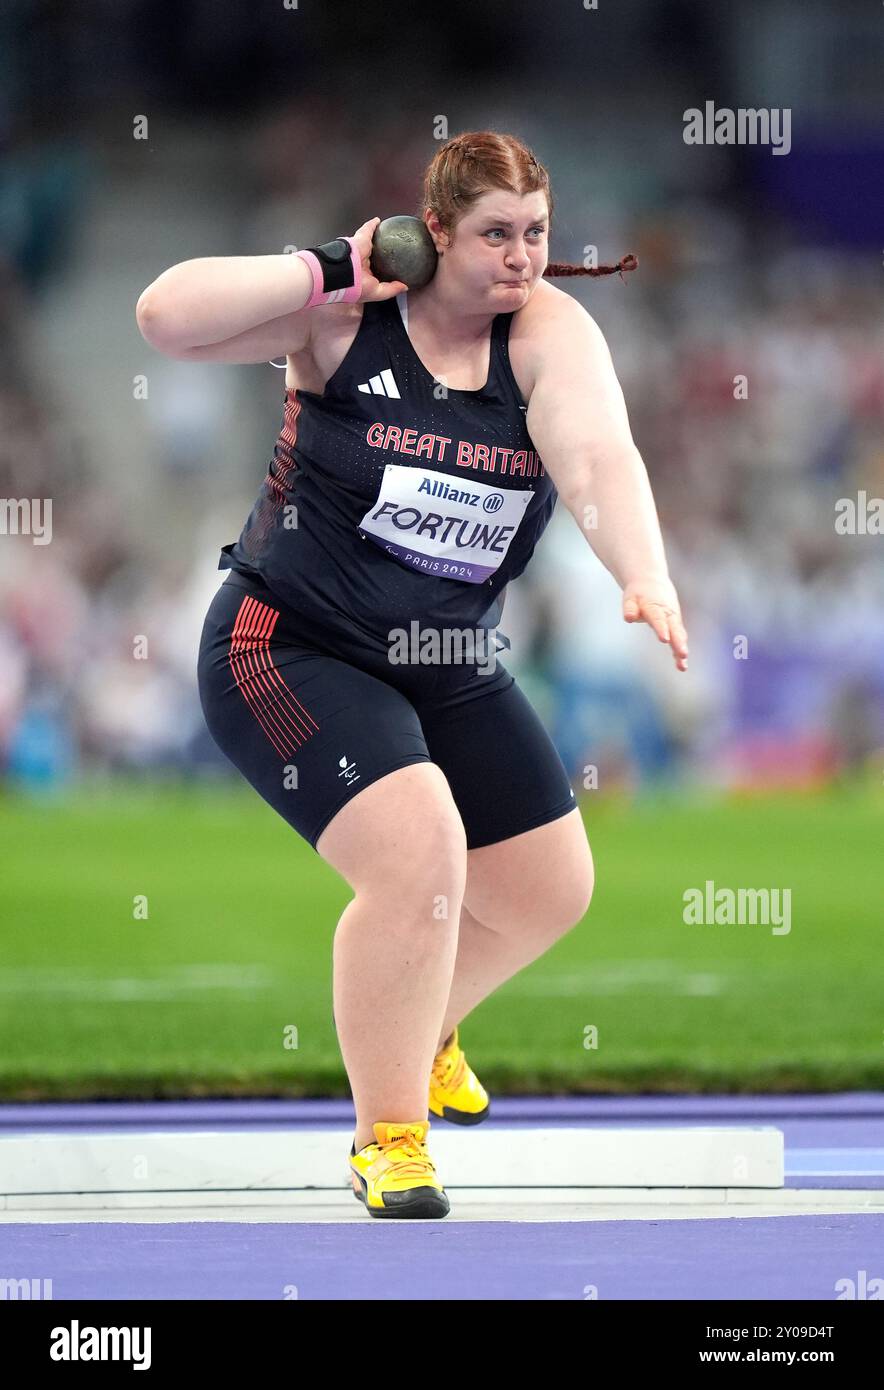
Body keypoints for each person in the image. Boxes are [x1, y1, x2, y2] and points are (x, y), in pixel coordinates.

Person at [135, 131, 688, 1220]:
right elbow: (163, 315)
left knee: (547, 887)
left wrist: (643, 570)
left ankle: (422, 1023)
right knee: (420, 849)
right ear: (429, 232)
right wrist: (326, 267)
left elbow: (593, 452)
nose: (522, 256)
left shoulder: (544, 335)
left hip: (439, 657)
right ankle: (388, 1138)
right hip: (282, 644)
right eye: (493, 235)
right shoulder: (344, 317)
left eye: (534, 232)